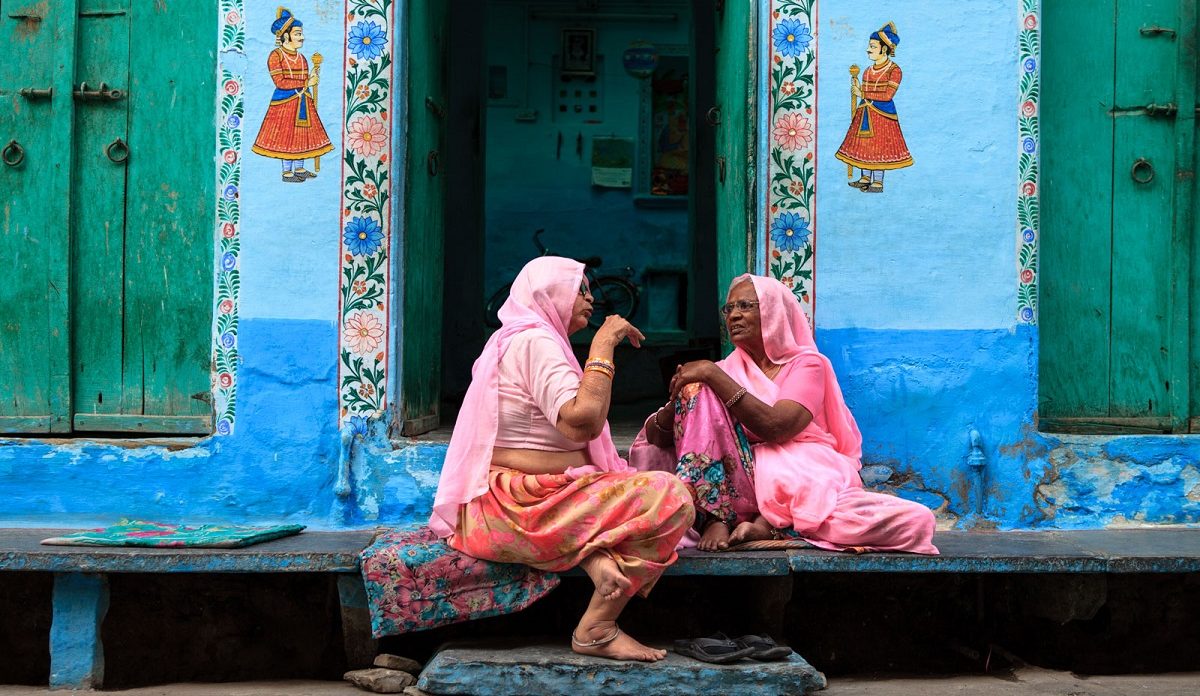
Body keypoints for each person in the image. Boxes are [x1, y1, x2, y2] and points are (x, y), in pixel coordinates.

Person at [429, 256, 695, 662]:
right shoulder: (536, 341)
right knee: (672, 496)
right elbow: (582, 423)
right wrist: (605, 344)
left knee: (628, 483)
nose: (590, 299)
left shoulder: (519, 339)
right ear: (548, 294)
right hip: (517, 507)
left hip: (497, 511)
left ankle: (594, 557)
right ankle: (597, 627)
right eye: (580, 290)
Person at [639, 274, 937, 555]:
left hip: (802, 478)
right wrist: (678, 402)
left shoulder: (807, 365)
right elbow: (654, 436)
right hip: (736, 484)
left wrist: (711, 374)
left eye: (745, 306)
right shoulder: (723, 370)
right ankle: (717, 518)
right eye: (728, 308)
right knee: (696, 390)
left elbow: (778, 427)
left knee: (915, 520)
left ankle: (773, 526)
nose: (734, 315)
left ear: (773, 312)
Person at [251, 8, 334, 182]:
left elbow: (305, 80)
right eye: (298, 34)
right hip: (284, 103)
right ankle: (287, 172)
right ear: (285, 36)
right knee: (285, 136)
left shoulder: (302, 58)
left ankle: (300, 168)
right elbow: (280, 82)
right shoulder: (276, 56)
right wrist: (306, 83)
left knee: (301, 136)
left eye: (301, 33)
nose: (302, 37)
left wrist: (312, 79)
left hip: (303, 101)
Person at [834, 22, 913, 193]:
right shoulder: (868, 71)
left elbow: (887, 96)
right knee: (864, 146)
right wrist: (858, 89)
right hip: (865, 113)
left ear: (884, 49)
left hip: (883, 115)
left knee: (880, 147)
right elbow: (866, 91)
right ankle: (864, 179)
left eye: (872, 46)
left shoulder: (894, 70)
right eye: (869, 46)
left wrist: (862, 94)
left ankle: (877, 183)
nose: (868, 50)